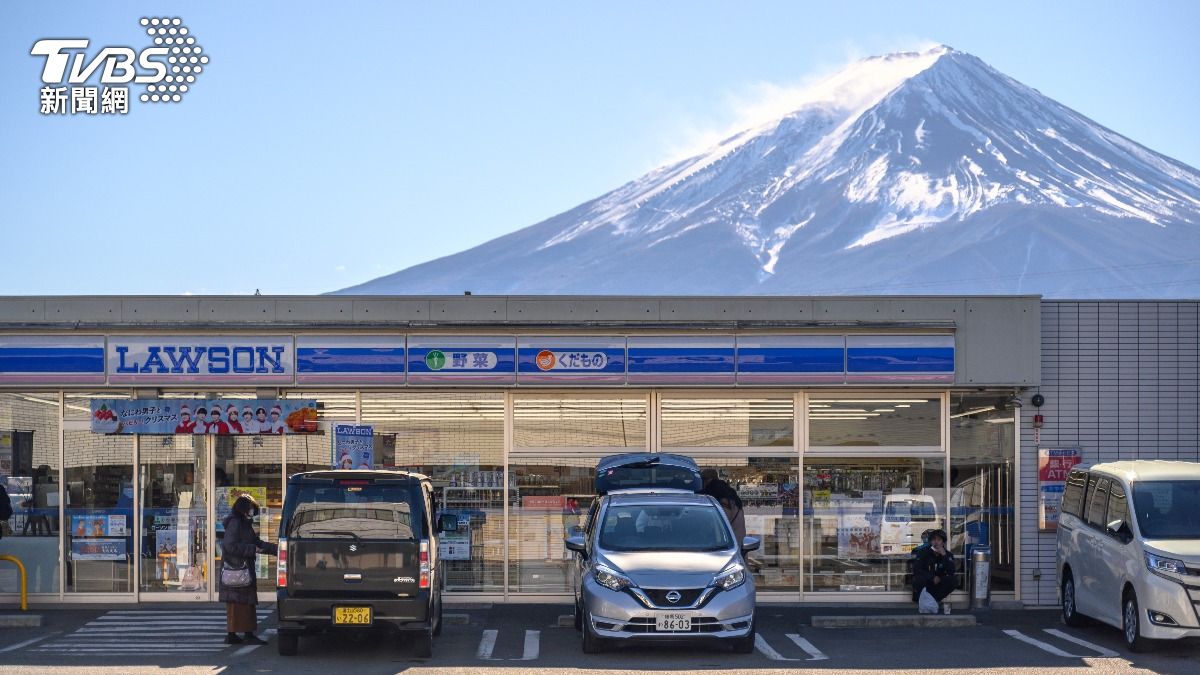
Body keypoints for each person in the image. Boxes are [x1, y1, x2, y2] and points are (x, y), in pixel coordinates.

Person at [220, 493, 277, 645]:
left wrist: (276, 549)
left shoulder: (244, 523)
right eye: (251, 508)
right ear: (244, 509)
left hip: (241, 568)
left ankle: (237, 634)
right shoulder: (236, 523)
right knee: (240, 603)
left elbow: (256, 542)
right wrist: (252, 549)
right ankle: (245, 634)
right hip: (237, 568)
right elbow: (229, 546)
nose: (252, 511)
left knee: (242, 603)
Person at [911, 528, 956, 614]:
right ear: (930, 541)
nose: (936, 542)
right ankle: (927, 601)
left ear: (943, 542)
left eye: (939, 540)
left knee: (953, 580)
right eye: (934, 540)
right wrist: (932, 577)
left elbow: (951, 571)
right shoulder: (923, 553)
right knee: (917, 579)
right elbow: (916, 569)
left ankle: (933, 600)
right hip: (927, 582)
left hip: (938, 583)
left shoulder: (948, 554)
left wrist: (944, 555)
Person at [699, 468, 746, 543]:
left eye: (703, 480)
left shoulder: (720, 497)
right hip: (738, 541)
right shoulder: (731, 494)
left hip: (728, 544)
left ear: (707, 480)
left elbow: (721, 524)